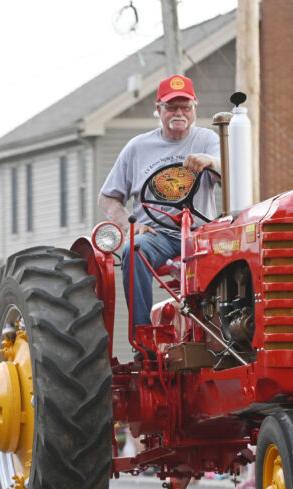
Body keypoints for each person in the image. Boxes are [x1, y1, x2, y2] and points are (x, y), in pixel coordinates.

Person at [98, 73, 221, 338]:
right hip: (158, 235)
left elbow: (232, 169)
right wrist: (130, 225)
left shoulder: (209, 140)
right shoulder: (138, 147)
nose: (179, 113)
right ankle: (143, 337)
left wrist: (211, 161)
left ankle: (225, 336)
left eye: (185, 107)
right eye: (171, 107)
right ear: (159, 110)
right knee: (134, 249)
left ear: (195, 109)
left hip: (202, 235)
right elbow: (108, 198)